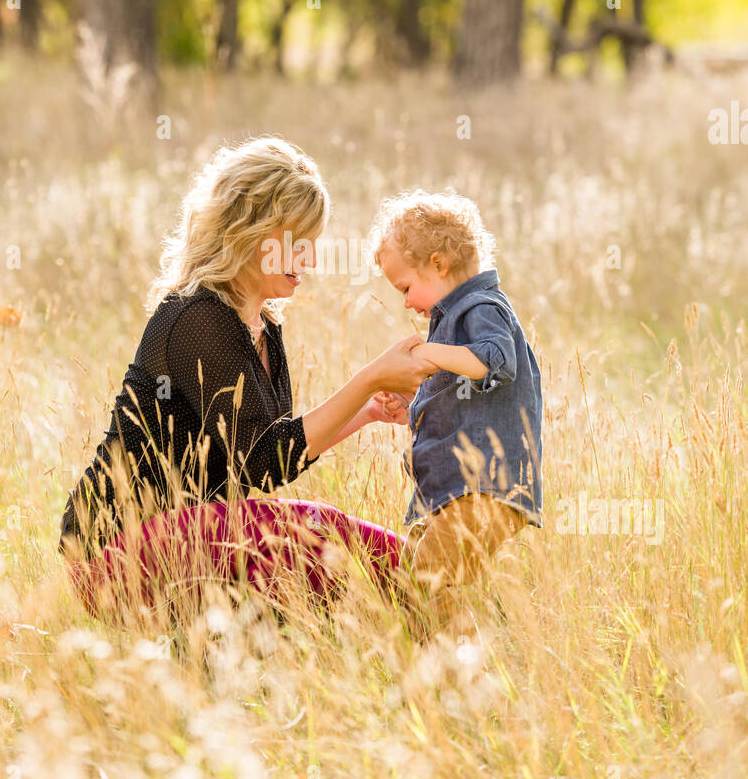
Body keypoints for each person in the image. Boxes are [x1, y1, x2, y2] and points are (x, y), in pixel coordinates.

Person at [60, 136, 432, 621]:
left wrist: (365, 412)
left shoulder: (263, 326)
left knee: (320, 545)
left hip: (188, 535)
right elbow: (260, 458)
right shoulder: (196, 318)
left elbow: (268, 462)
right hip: (116, 551)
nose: (311, 261)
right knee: (319, 534)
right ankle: (424, 601)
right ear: (252, 233)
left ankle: (433, 600)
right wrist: (367, 379)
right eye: (298, 244)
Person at [370, 189, 543, 632]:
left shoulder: (481, 308)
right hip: (449, 494)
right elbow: (467, 388)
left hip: (483, 489)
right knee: (414, 586)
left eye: (406, 287)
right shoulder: (452, 319)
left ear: (439, 264)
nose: (407, 302)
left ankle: (470, 668)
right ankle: (459, 669)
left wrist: (428, 354)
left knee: (418, 583)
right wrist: (413, 400)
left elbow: (493, 360)